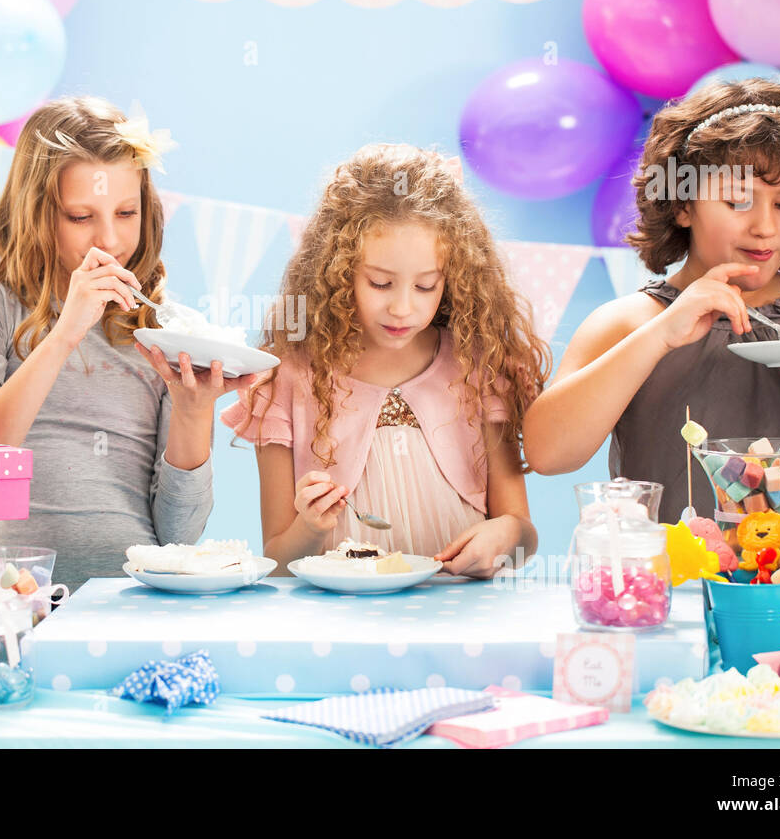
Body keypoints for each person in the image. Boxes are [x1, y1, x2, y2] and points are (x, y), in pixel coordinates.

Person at [523, 79, 780, 613]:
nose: (766, 226)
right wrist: (660, 335)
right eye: (737, 200)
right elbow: (548, 453)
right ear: (682, 206)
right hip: (683, 598)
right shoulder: (632, 322)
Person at [0, 96, 254, 591]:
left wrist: (194, 412)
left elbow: (178, 535)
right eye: (81, 217)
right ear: (37, 215)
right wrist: (65, 334)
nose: (110, 239)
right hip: (16, 597)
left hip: (131, 603)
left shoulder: (171, 331)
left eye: (126, 212)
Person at [222, 144, 551, 576]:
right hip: (342, 620)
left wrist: (507, 533)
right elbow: (280, 563)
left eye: (425, 286)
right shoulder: (289, 377)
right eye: (380, 283)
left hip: (458, 612)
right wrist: (311, 527)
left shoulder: (479, 366)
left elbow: (524, 535)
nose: (402, 308)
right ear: (337, 272)